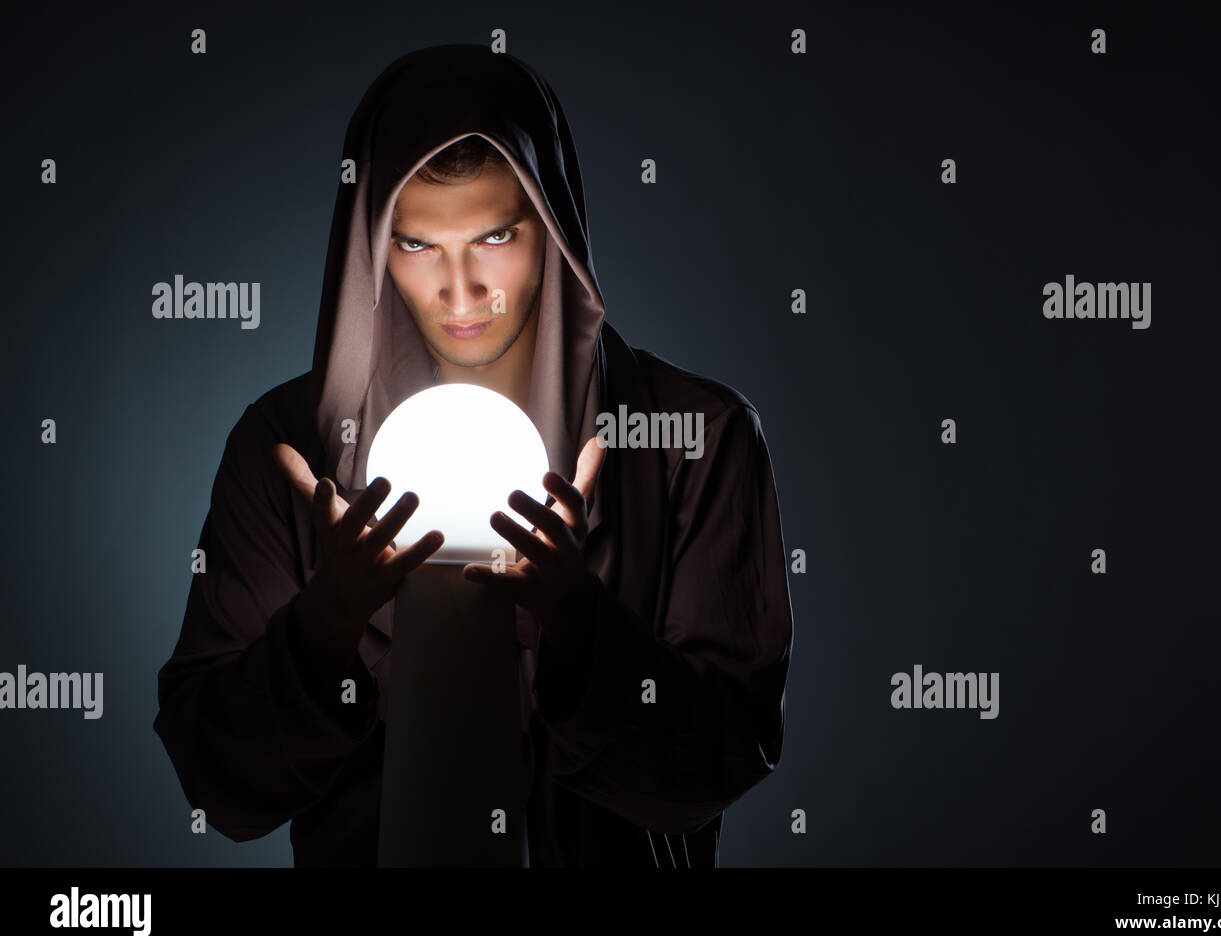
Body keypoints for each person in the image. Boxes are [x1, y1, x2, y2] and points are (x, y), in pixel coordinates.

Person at [153, 43, 793, 867]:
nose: (461, 291)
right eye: (418, 244)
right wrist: (326, 623)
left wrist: (576, 618)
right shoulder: (289, 452)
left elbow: (727, 753)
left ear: (554, 227)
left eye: (496, 234)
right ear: (372, 244)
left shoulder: (694, 438)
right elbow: (217, 784)